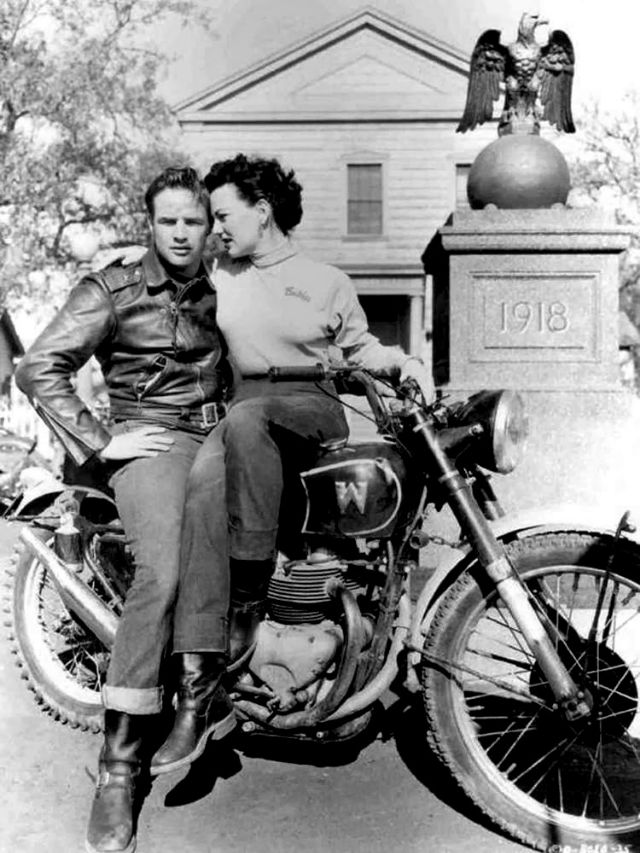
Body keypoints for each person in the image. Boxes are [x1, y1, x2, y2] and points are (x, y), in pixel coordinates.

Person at [150, 153, 435, 774]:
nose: (215, 227)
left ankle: (246, 602)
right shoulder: (216, 274)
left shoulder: (326, 278)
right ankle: (200, 692)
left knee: (247, 427)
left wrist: (405, 363)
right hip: (243, 412)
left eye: (223, 215)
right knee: (205, 486)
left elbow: (361, 348)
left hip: (312, 408)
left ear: (263, 210)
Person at [15, 166, 236, 853]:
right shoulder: (112, 288)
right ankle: (118, 772)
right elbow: (38, 365)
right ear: (150, 223)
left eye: (191, 221)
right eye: (167, 220)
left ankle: (210, 692)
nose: (179, 232)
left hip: (218, 435)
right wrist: (102, 437)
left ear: (208, 227)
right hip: (150, 443)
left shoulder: (221, 289)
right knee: (162, 574)